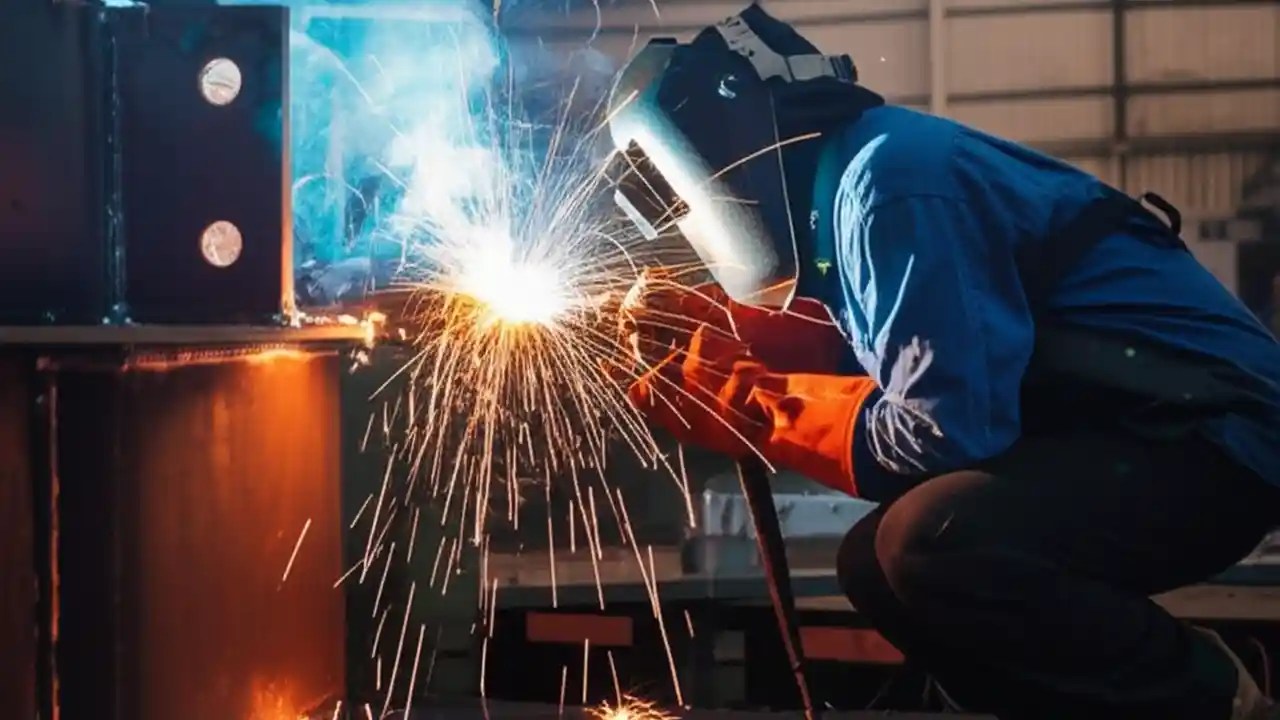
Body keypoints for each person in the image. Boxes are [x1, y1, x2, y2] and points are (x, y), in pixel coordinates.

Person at [606, 4, 1280, 720]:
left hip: (1213, 445)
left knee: (931, 541)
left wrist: (748, 399)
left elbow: (945, 431)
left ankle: (1212, 695)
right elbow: (880, 349)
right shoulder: (842, 204)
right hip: (1125, 436)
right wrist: (726, 335)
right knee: (871, 562)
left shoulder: (892, 185)